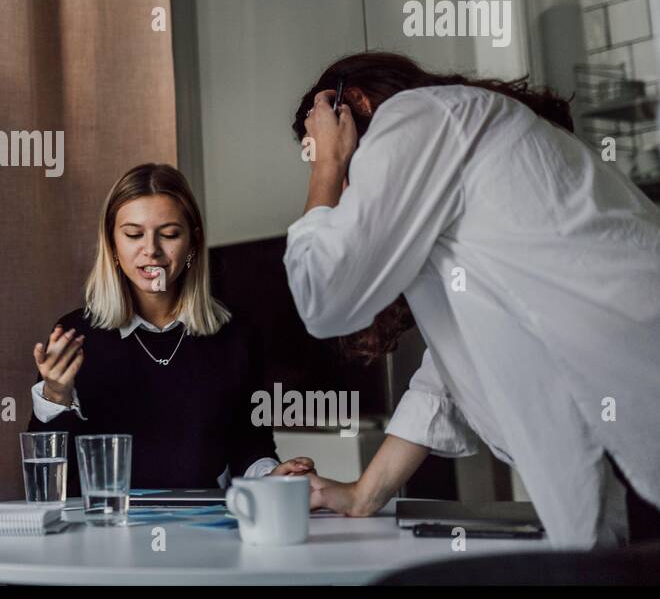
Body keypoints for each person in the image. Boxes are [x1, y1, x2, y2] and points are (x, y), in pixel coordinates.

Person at [283, 51, 660, 547]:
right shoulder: (462, 143)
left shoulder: (412, 118)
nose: (346, 184)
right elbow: (448, 366)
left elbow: (321, 292)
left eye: (319, 143)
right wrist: (363, 495)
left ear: (351, 104)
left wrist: (326, 167)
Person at [28, 163, 315, 497]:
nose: (151, 249)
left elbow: (248, 445)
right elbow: (47, 481)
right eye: (133, 234)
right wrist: (56, 396)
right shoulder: (76, 334)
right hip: (102, 531)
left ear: (192, 244)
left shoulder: (235, 335)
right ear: (113, 247)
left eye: (169, 234)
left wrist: (272, 475)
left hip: (203, 531)